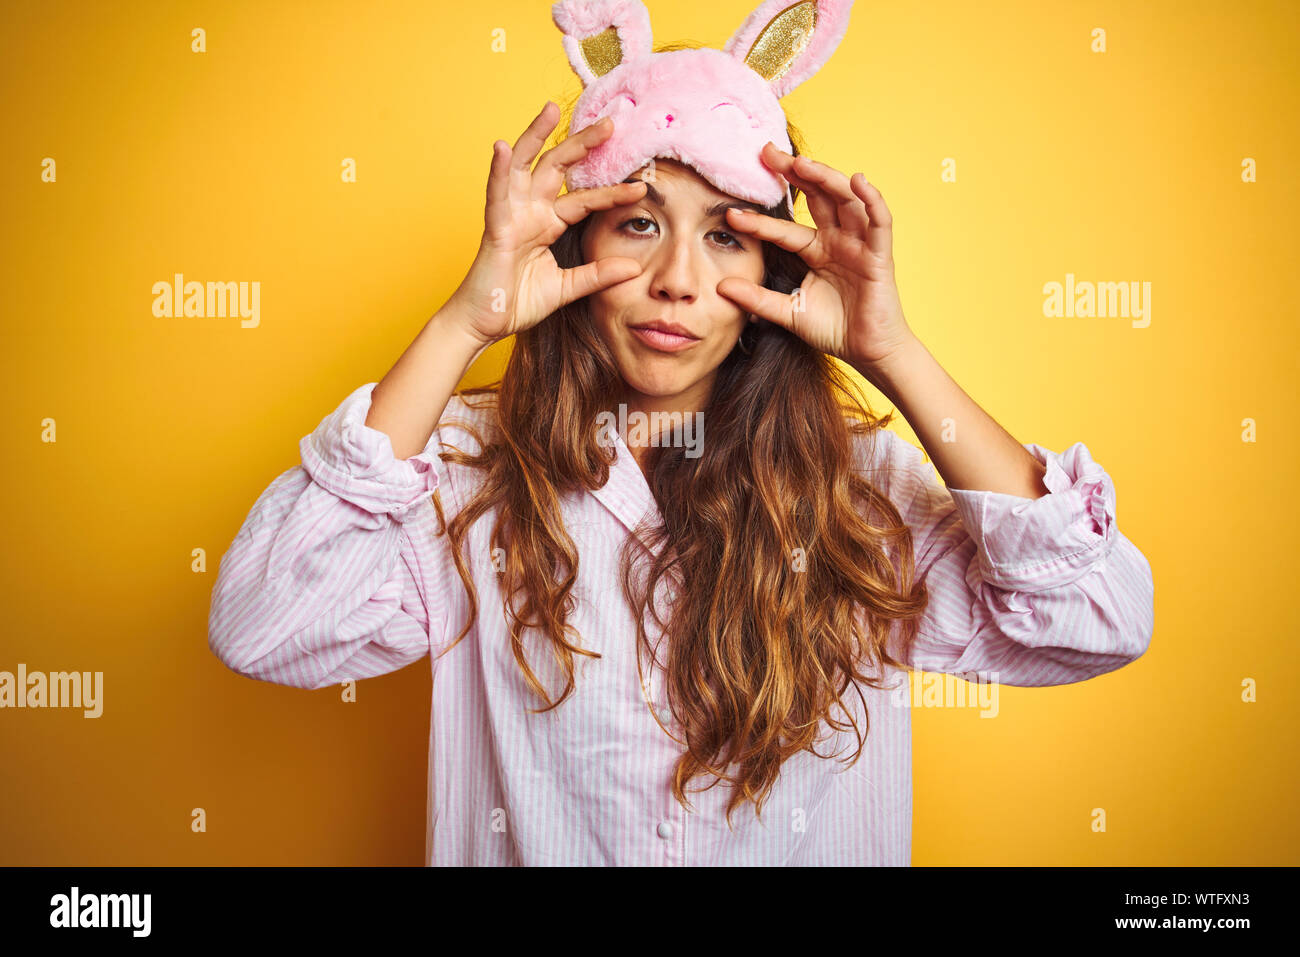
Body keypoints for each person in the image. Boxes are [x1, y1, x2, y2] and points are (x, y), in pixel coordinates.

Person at [208, 0, 1154, 865]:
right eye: (638, 224)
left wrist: (893, 352)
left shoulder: (858, 489)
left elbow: (1099, 614)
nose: (677, 281)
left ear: (773, 271)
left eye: (725, 236)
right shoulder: (463, 468)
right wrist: (461, 324)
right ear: (576, 242)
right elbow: (261, 624)